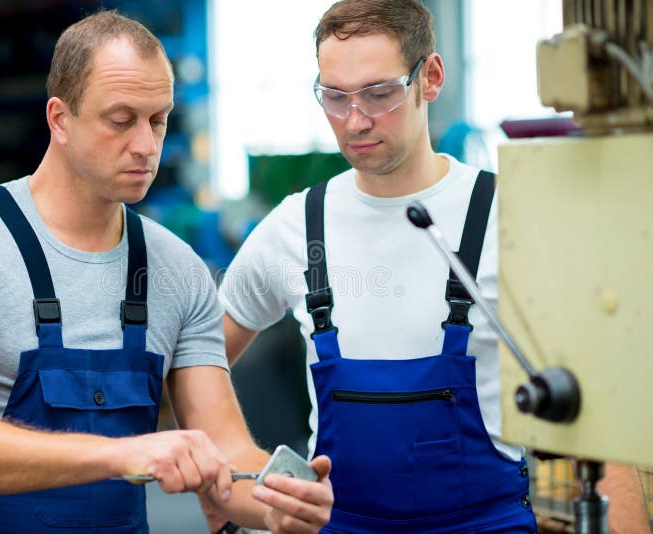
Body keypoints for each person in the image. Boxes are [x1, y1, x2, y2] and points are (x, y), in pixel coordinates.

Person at [208, 1, 651, 533]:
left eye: (379, 93)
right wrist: (229, 500)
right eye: (335, 96)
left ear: (431, 77)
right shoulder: (297, 227)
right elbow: (198, 368)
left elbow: (594, 425)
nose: (355, 119)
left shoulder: (512, 220)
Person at [0, 11, 333, 534]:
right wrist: (122, 455)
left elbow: (225, 452)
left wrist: (278, 502)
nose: (147, 146)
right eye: (122, 120)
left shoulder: (178, 270)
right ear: (60, 119)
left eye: (158, 119)